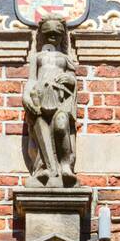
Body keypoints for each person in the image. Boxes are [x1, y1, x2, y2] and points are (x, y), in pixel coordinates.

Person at [23, 16, 78, 188]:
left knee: (61, 125)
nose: (53, 35)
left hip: (60, 100)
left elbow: (73, 80)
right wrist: (26, 96)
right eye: (48, 32)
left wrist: (68, 80)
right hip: (40, 99)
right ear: (41, 35)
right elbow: (32, 79)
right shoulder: (37, 57)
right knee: (41, 131)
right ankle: (44, 168)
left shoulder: (65, 58)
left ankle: (65, 166)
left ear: (63, 36)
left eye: (57, 32)